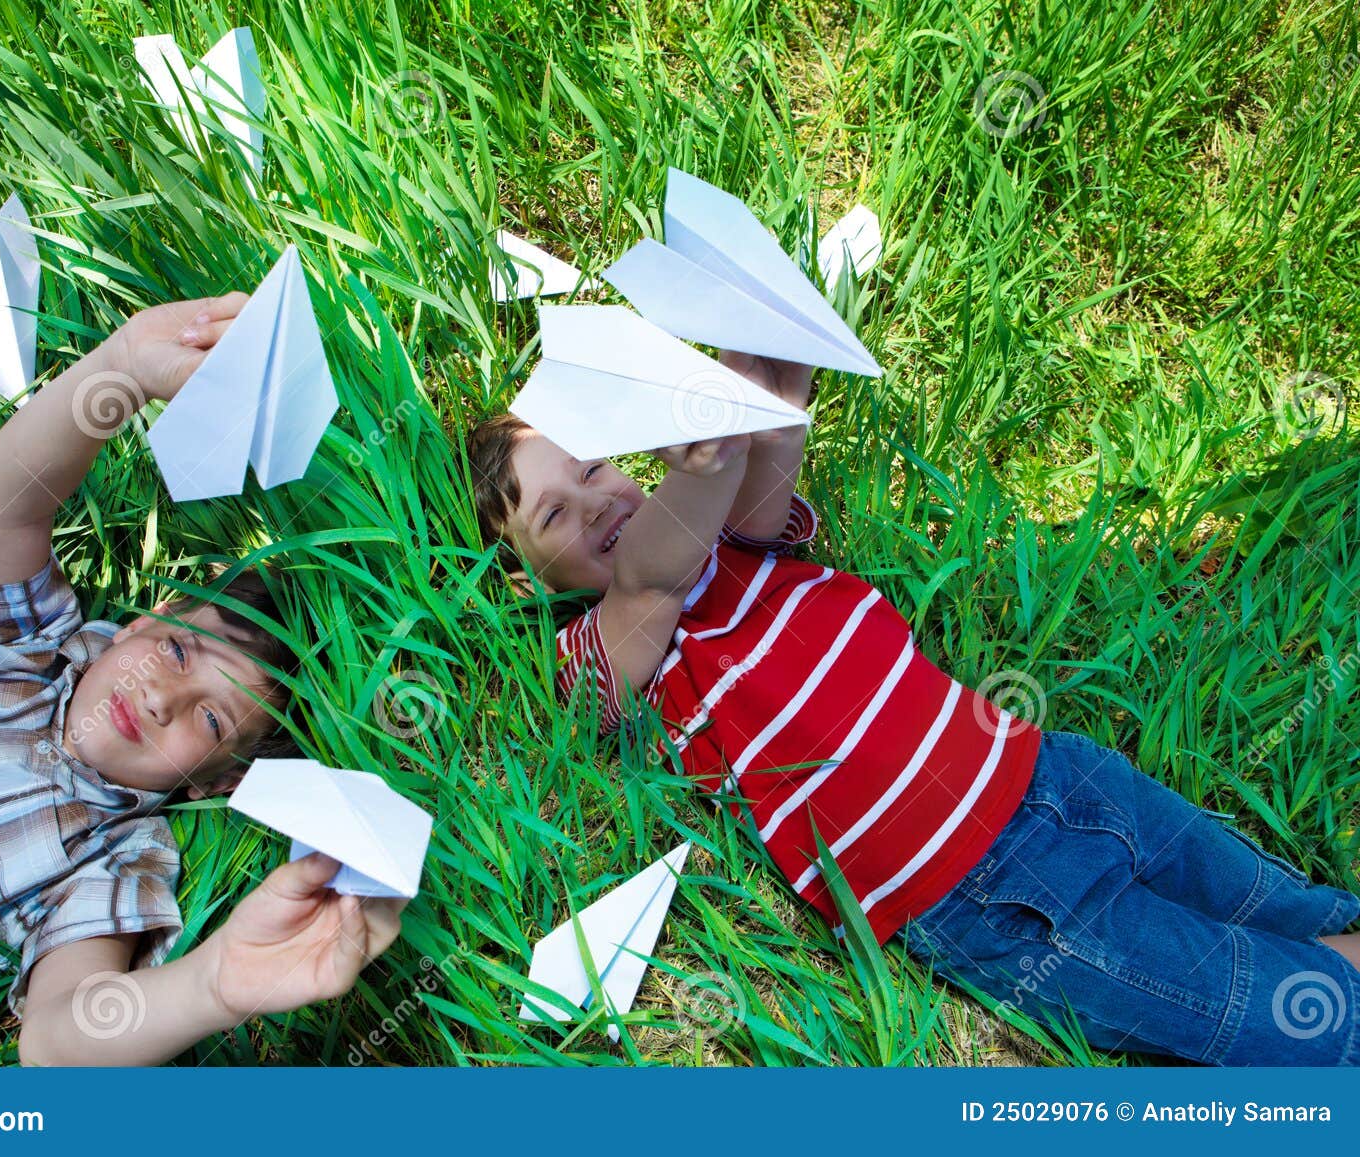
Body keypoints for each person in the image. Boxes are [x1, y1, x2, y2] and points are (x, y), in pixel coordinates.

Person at [465, 350, 1360, 1064]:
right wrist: (700, 469)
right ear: (521, 578)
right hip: (980, 892)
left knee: (1277, 904)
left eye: (592, 468)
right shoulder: (606, 645)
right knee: (1261, 1005)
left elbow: (764, 474)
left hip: (1051, 767)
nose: (595, 504)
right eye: (553, 515)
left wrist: (770, 381)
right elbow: (650, 572)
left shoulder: (734, 542)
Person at [0, 294, 405, 1065]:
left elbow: (60, 1037)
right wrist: (118, 369)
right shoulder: (20, 644)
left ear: (214, 779)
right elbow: (1, 509)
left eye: (210, 722)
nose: (166, 698)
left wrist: (217, 983)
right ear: (141, 620)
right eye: (175, 650)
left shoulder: (111, 856)